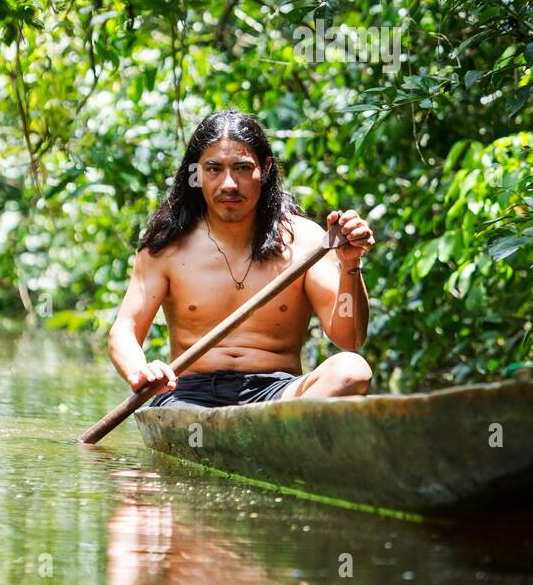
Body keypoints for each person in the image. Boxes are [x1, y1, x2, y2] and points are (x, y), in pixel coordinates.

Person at [108, 109, 375, 409]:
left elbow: (349, 339)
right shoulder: (167, 246)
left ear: (266, 168)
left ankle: (278, 431)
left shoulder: (306, 241)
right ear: (196, 173)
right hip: (188, 396)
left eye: (243, 168)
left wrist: (351, 265)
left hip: (277, 395)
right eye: (213, 169)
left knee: (352, 370)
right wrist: (139, 371)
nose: (229, 184)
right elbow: (124, 331)